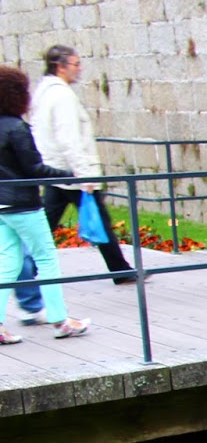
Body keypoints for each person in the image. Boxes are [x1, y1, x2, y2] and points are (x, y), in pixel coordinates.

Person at [30, 44, 136, 284]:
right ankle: (120, 270)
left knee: (46, 225)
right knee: (98, 220)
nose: (80, 69)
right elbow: (70, 139)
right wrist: (84, 175)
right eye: (76, 64)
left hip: (56, 171)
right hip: (73, 173)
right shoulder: (62, 96)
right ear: (61, 66)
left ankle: (25, 269)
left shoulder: (43, 93)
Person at [0, 65, 89, 343]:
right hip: (23, 204)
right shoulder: (16, 128)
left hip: (1, 205)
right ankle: (60, 321)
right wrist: (69, 176)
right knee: (47, 259)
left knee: (8, 262)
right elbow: (34, 169)